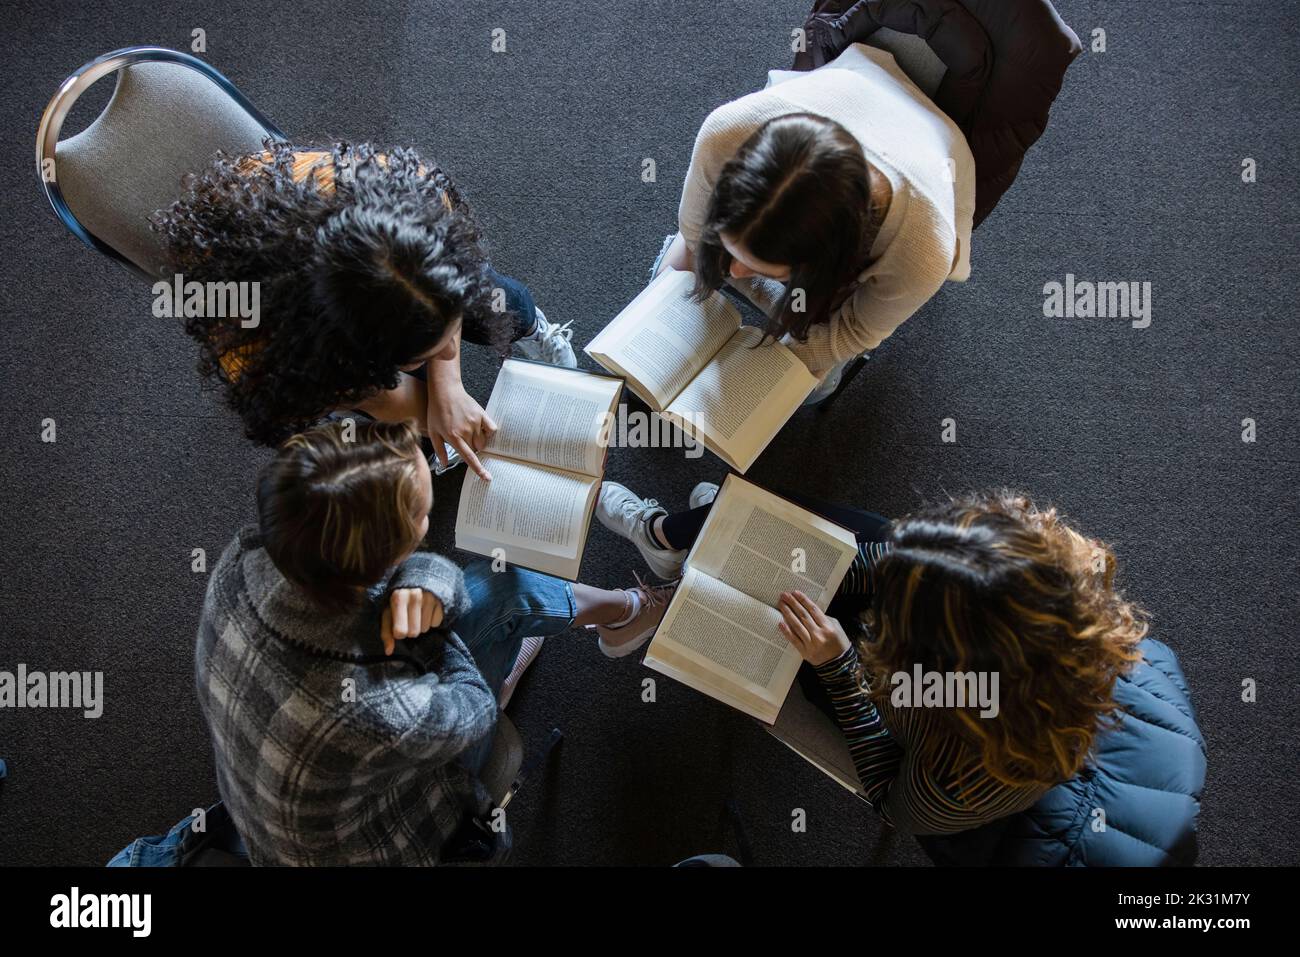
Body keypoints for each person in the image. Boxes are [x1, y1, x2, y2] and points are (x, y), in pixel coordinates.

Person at [194, 420, 672, 866]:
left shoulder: (244, 557)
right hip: (394, 833)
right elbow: (472, 706)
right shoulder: (375, 708)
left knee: (496, 595)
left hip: (281, 792)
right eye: (423, 519)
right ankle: (626, 613)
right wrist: (433, 616)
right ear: (383, 564)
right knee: (506, 593)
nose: (428, 527)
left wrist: (423, 581)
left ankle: (617, 613)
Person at [596, 482, 1148, 835]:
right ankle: (692, 542)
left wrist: (839, 667)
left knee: (790, 619)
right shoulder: (1055, 571)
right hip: (931, 659)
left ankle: (679, 588)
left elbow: (891, 800)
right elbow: (903, 563)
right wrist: (823, 564)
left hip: (877, 701)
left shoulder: (962, 778)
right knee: (824, 536)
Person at [154, 140, 576, 478]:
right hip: (312, 340)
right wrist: (432, 412)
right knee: (419, 418)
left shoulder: (409, 193)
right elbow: (378, 399)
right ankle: (439, 435)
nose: (451, 350)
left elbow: (443, 292)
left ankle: (532, 328)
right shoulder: (262, 357)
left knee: (493, 296)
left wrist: (448, 384)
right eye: (430, 353)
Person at [654, 43, 976, 403]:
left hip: (927, 154)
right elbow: (695, 232)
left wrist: (765, 367)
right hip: (852, 83)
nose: (734, 271)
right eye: (732, 247)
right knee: (664, 285)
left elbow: (853, 331)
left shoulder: (921, 253)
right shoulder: (725, 134)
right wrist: (762, 288)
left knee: (809, 388)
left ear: (826, 262)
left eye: (761, 268)